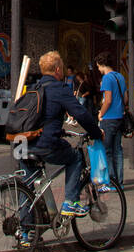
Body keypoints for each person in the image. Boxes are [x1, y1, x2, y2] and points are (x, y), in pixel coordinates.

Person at [27, 51, 104, 222]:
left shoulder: (33, 88)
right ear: (57, 70)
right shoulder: (59, 88)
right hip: (46, 143)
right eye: (60, 68)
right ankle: (70, 202)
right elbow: (81, 113)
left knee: (27, 185)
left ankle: (25, 232)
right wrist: (97, 133)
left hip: (25, 143)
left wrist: (61, 131)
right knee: (75, 157)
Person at [94, 54, 127, 189]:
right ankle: (119, 182)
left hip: (109, 118)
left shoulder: (107, 78)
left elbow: (108, 100)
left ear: (102, 64)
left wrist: (101, 113)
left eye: (98, 67)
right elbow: (125, 98)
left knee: (107, 151)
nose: (98, 70)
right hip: (120, 117)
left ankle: (111, 182)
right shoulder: (120, 77)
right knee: (118, 150)